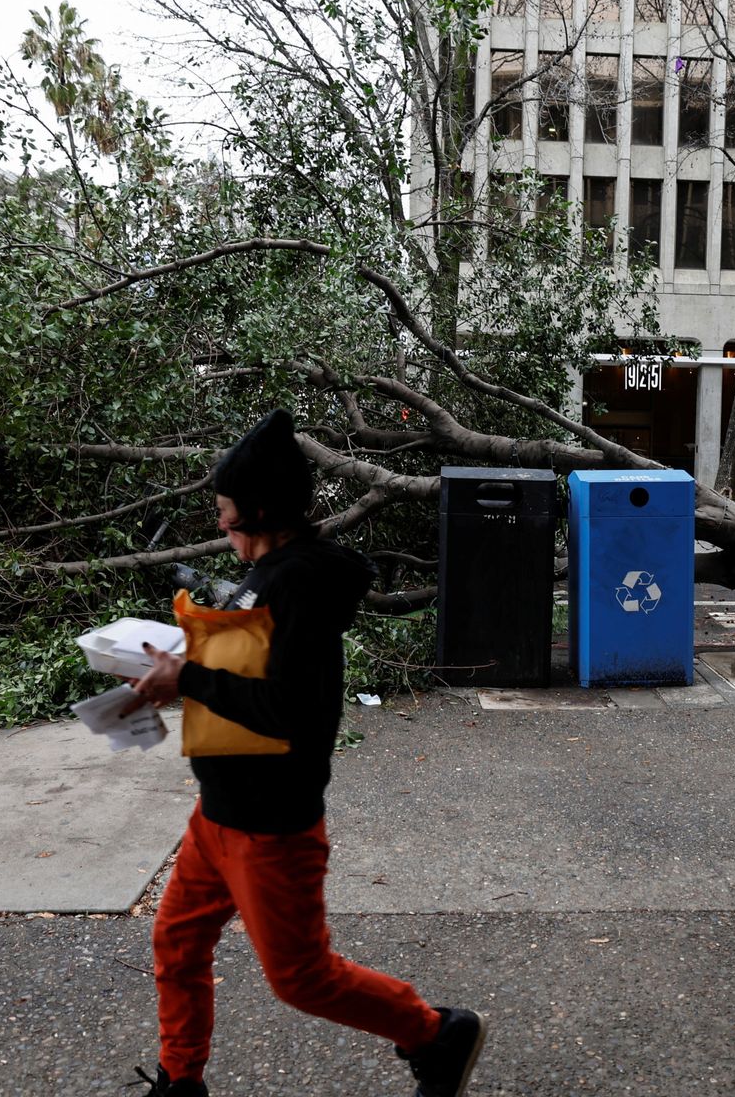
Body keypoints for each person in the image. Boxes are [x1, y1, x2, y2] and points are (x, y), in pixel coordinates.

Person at [128, 409, 486, 1097]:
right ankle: (181, 1081)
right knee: (176, 942)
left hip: (270, 827)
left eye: (226, 516)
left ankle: (436, 1032)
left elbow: (285, 710)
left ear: (261, 513)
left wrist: (189, 679)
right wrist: (178, 669)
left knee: (302, 978)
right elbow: (244, 674)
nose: (221, 527)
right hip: (217, 816)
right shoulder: (266, 574)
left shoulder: (301, 588)